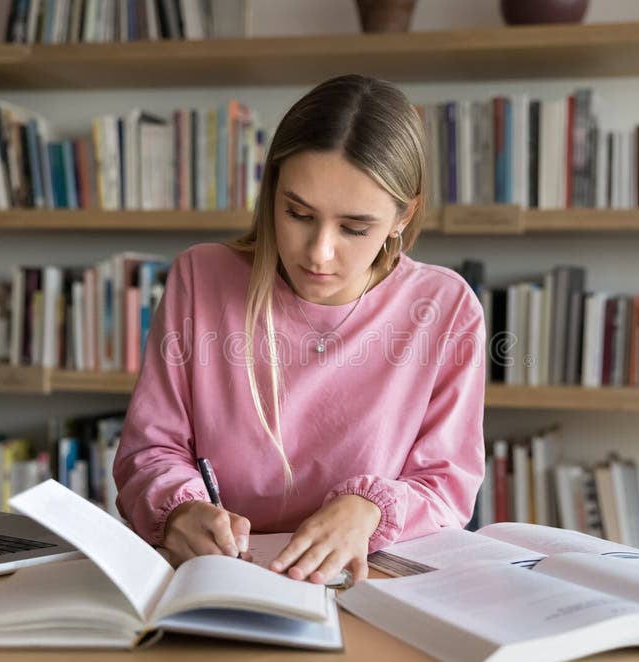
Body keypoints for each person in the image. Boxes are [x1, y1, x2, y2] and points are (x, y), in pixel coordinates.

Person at [113, 74, 485, 586]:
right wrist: (179, 510)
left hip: (371, 584)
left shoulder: (444, 307)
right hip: (219, 582)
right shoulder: (200, 278)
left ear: (404, 216)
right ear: (271, 192)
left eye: (355, 228)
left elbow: (447, 484)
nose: (319, 252)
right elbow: (149, 452)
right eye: (298, 213)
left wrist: (368, 510)